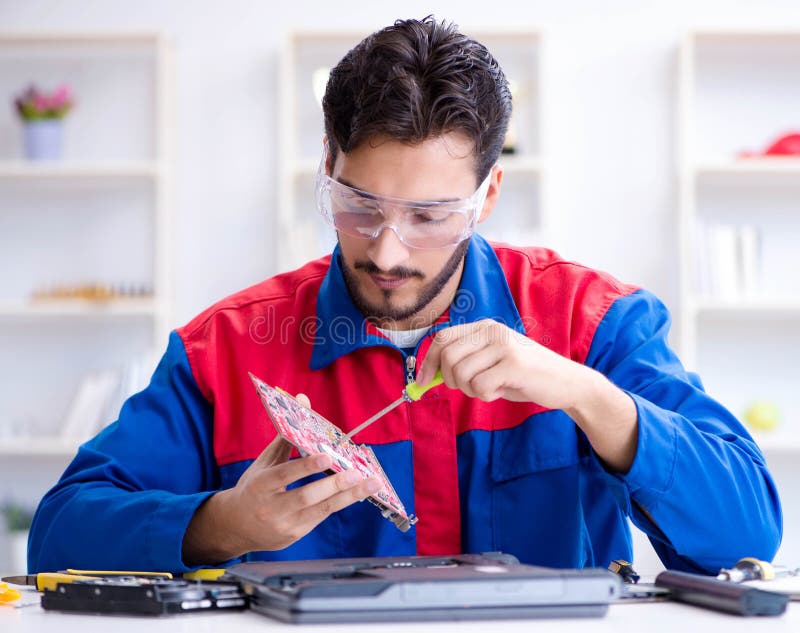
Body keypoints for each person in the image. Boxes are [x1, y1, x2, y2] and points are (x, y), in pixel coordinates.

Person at [29, 16, 781, 575]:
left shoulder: (594, 324)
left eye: (430, 216)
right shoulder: (222, 350)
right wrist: (223, 523)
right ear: (328, 165)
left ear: (488, 194)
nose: (387, 251)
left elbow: (749, 533)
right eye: (359, 205)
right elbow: (59, 534)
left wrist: (586, 394)